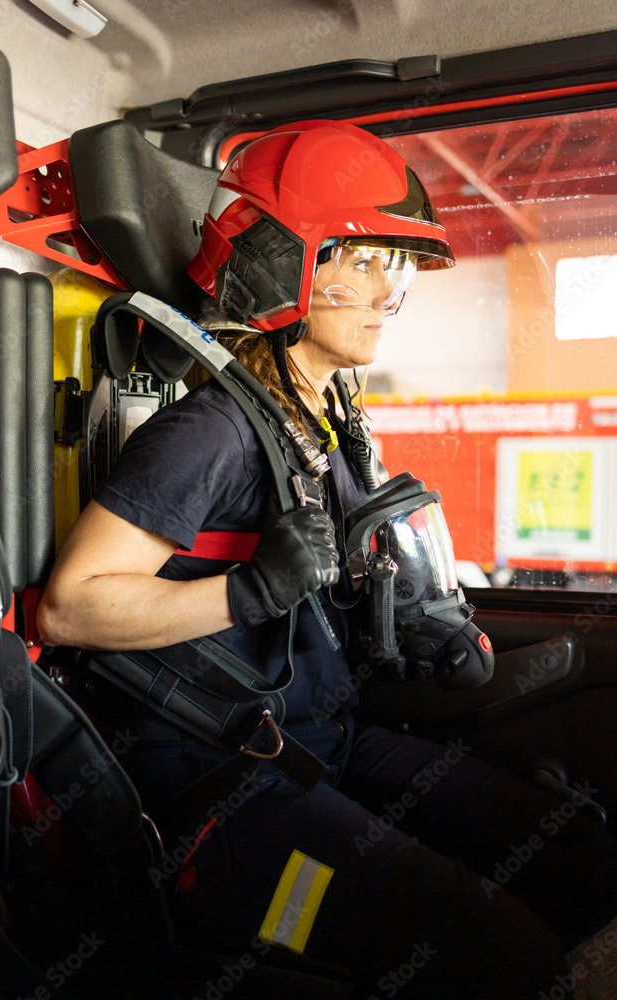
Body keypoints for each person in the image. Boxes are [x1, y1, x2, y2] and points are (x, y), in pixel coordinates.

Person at [37, 120, 617, 1000]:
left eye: (398, 266)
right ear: (283, 265)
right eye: (364, 260)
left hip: (325, 739)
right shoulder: (212, 430)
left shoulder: (331, 424)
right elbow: (68, 608)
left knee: (582, 861)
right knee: (503, 959)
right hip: (214, 776)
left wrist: (411, 622)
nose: (391, 293)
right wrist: (249, 592)